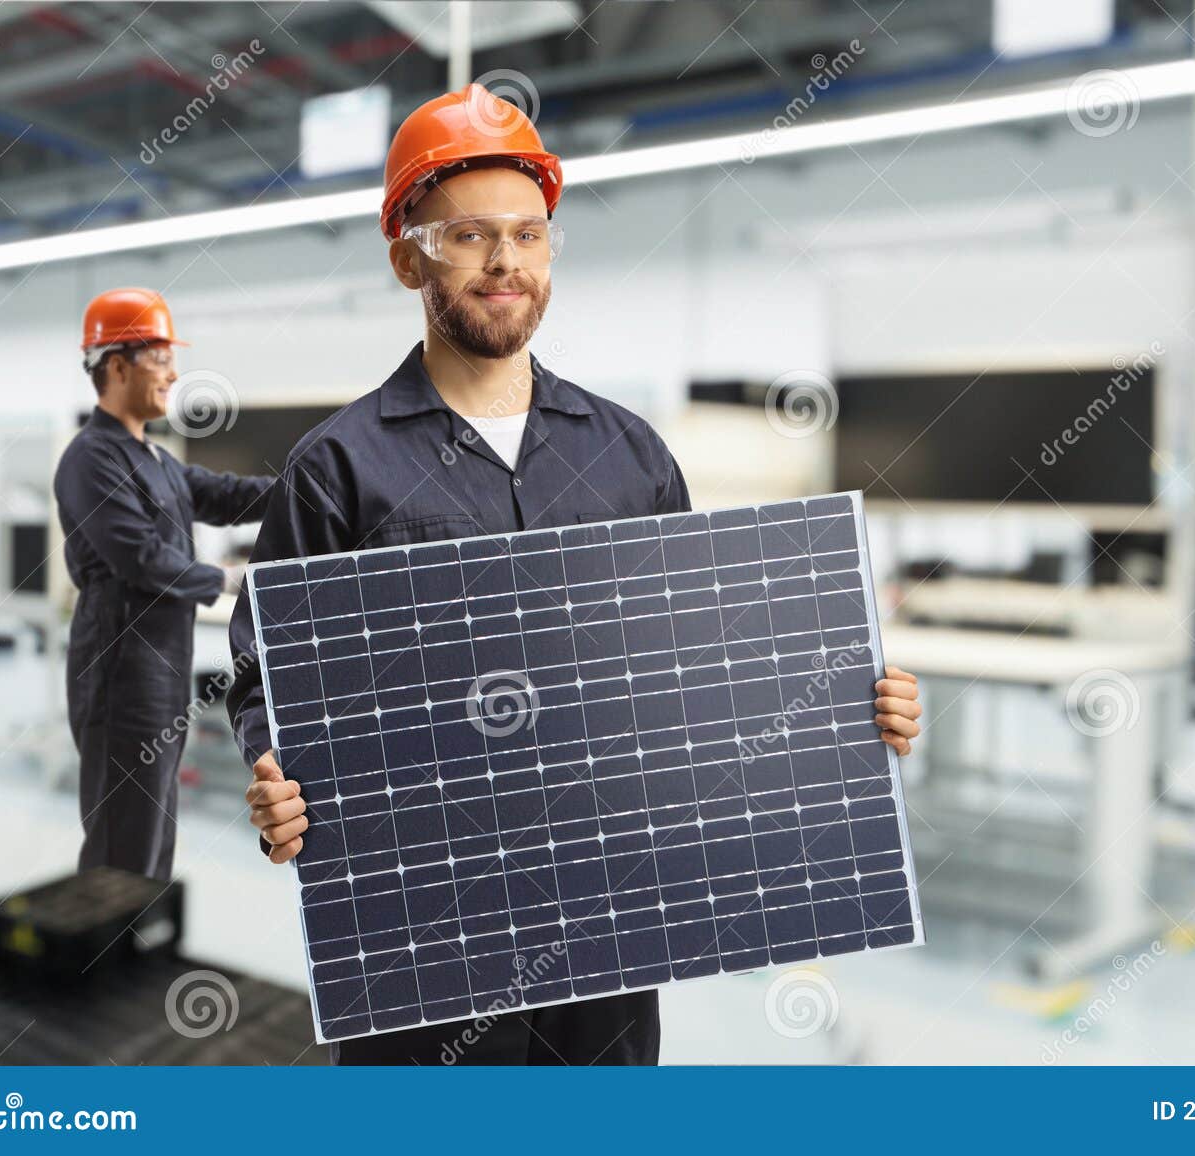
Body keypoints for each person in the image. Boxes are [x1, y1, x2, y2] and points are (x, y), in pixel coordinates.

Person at [225, 84, 923, 1064]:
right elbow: (268, 671)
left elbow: (696, 667)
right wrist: (274, 773)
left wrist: (846, 716)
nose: (505, 261)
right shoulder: (337, 467)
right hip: (424, 929)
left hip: (607, 924)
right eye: (468, 235)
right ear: (405, 256)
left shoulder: (630, 454)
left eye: (529, 234)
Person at [55, 287, 275, 881]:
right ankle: (104, 959)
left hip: (160, 663)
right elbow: (140, 558)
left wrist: (307, 482)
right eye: (160, 357)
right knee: (123, 842)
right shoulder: (90, 458)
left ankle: (140, 951)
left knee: (153, 829)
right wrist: (229, 578)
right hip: (120, 667)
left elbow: (223, 495)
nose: (174, 373)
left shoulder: (152, 457)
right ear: (118, 365)